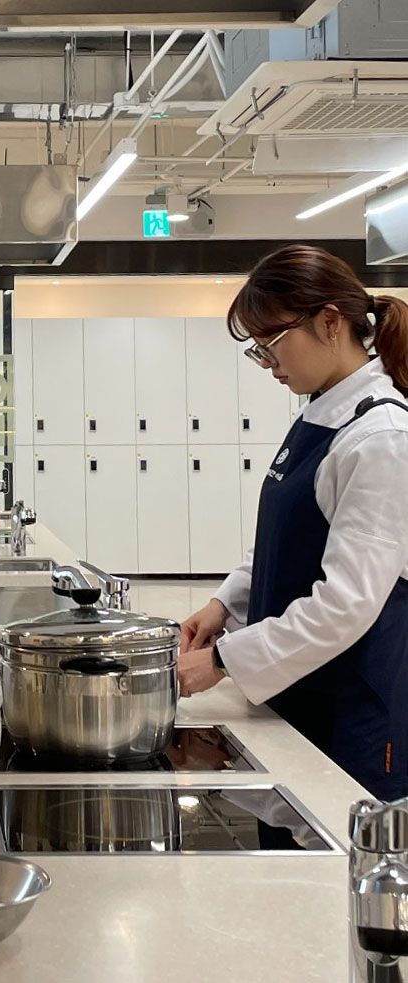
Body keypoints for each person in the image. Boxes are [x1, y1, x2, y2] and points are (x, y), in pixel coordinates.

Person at [178, 244, 408, 801]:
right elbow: (287, 543)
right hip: (299, 688)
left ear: (330, 322)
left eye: (272, 345)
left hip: (351, 704)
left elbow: (347, 602)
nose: (271, 365)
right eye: (259, 352)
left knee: (332, 870)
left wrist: (225, 660)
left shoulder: (379, 438)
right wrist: (225, 605)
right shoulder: (320, 412)